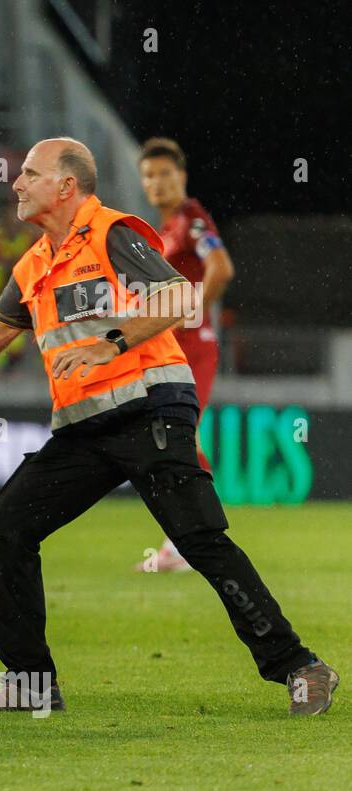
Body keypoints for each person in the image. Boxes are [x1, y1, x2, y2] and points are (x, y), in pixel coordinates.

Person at [0, 137, 338, 716]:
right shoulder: (34, 265)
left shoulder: (112, 233)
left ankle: (301, 666)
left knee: (198, 537)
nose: (17, 183)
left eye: (30, 174)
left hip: (152, 406)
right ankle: (30, 683)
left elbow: (179, 296)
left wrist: (113, 342)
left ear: (66, 185)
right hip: (88, 427)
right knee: (7, 529)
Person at [135, 136, 236, 573]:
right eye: (149, 176)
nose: (157, 183)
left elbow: (222, 268)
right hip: (170, 351)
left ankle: (193, 540)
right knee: (168, 439)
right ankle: (187, 540)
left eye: (165, 173)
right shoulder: (161, 232)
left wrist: (191, 311)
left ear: (182, 176)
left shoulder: (193, 220)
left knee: (178, 438)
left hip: (193, 349)